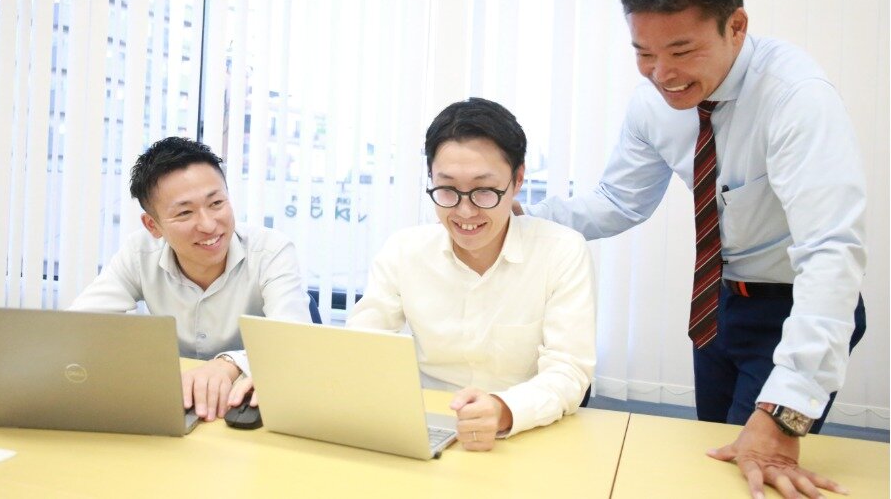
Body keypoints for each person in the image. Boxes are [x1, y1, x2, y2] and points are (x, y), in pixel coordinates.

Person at [520, 0, 866, 496]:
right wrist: (519, 216)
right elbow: (619, 201)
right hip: (718, 307)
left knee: (758, 465)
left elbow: (831, 254)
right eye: (644, 53)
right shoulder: (653, 104)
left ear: (737, 26)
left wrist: (786, 414)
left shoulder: (796, 98)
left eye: (681, 51)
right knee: (712, 464)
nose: (663, 74)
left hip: (794, 307)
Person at [348, 97, 595, 451]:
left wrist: (504, 409)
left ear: (517, 180)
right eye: (447, 189)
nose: (465, 211)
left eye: (484, 191)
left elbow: (569, 371)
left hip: (525, 431)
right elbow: (362, 347)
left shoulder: (561, 251)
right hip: (424, 428)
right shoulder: (404, 250)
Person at [70, 136, 312, 422]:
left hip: (248, 408)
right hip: (177, 406)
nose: (208, 225)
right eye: (185, 213)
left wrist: (228, 364)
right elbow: (76, 329)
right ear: (152, 225)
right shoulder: (139, 254)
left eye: (217, 203)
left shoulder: (270, 251)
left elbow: (294, 341)